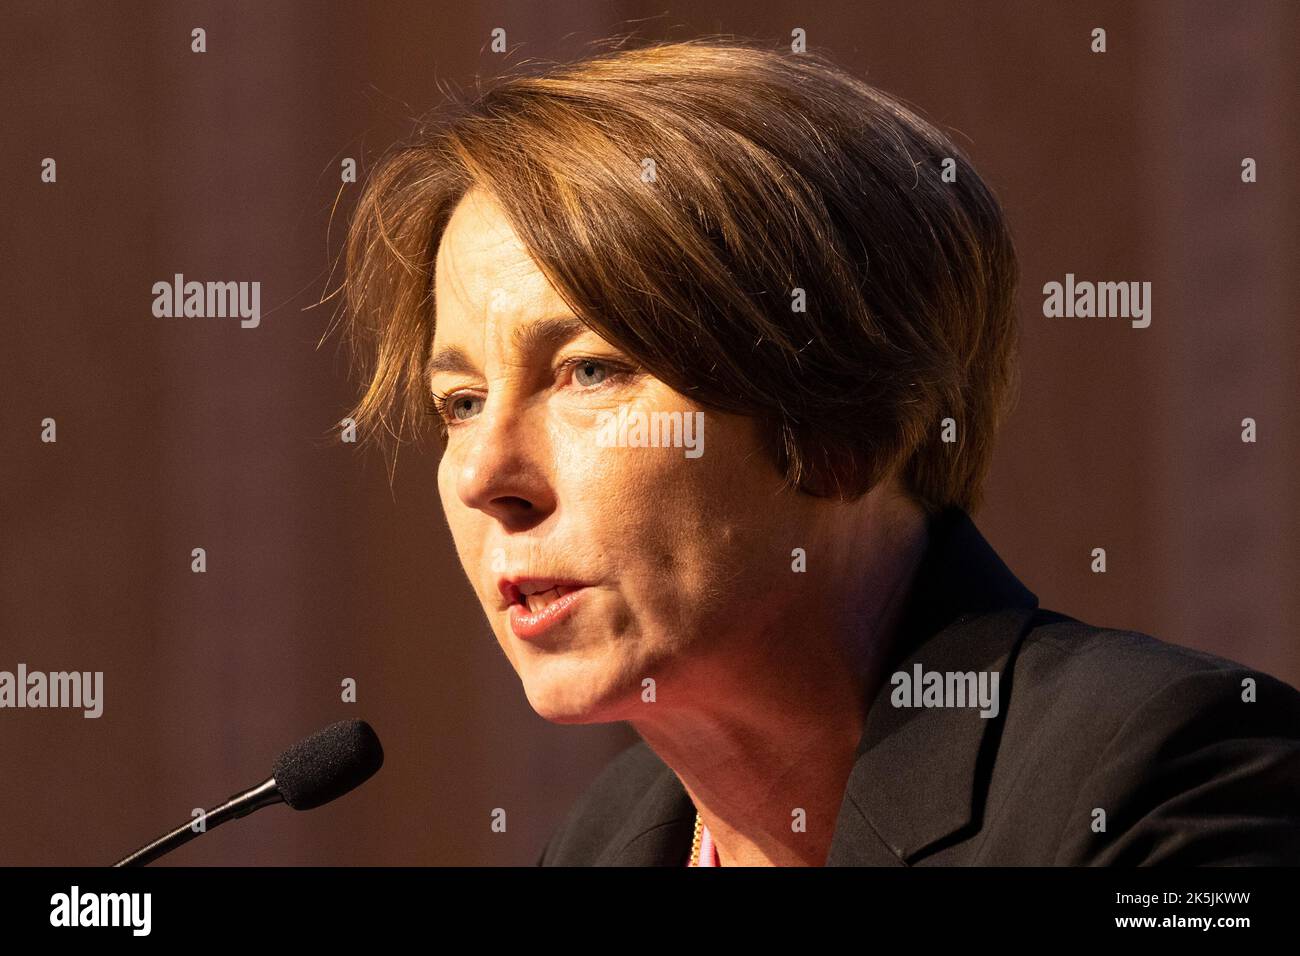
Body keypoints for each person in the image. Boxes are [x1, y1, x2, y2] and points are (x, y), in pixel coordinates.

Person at [337, 38, 1300, 865]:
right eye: (459, 402)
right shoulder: (610, 841)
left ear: (844, 412)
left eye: (591, 371)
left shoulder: (1169, 772)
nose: (482, 477)